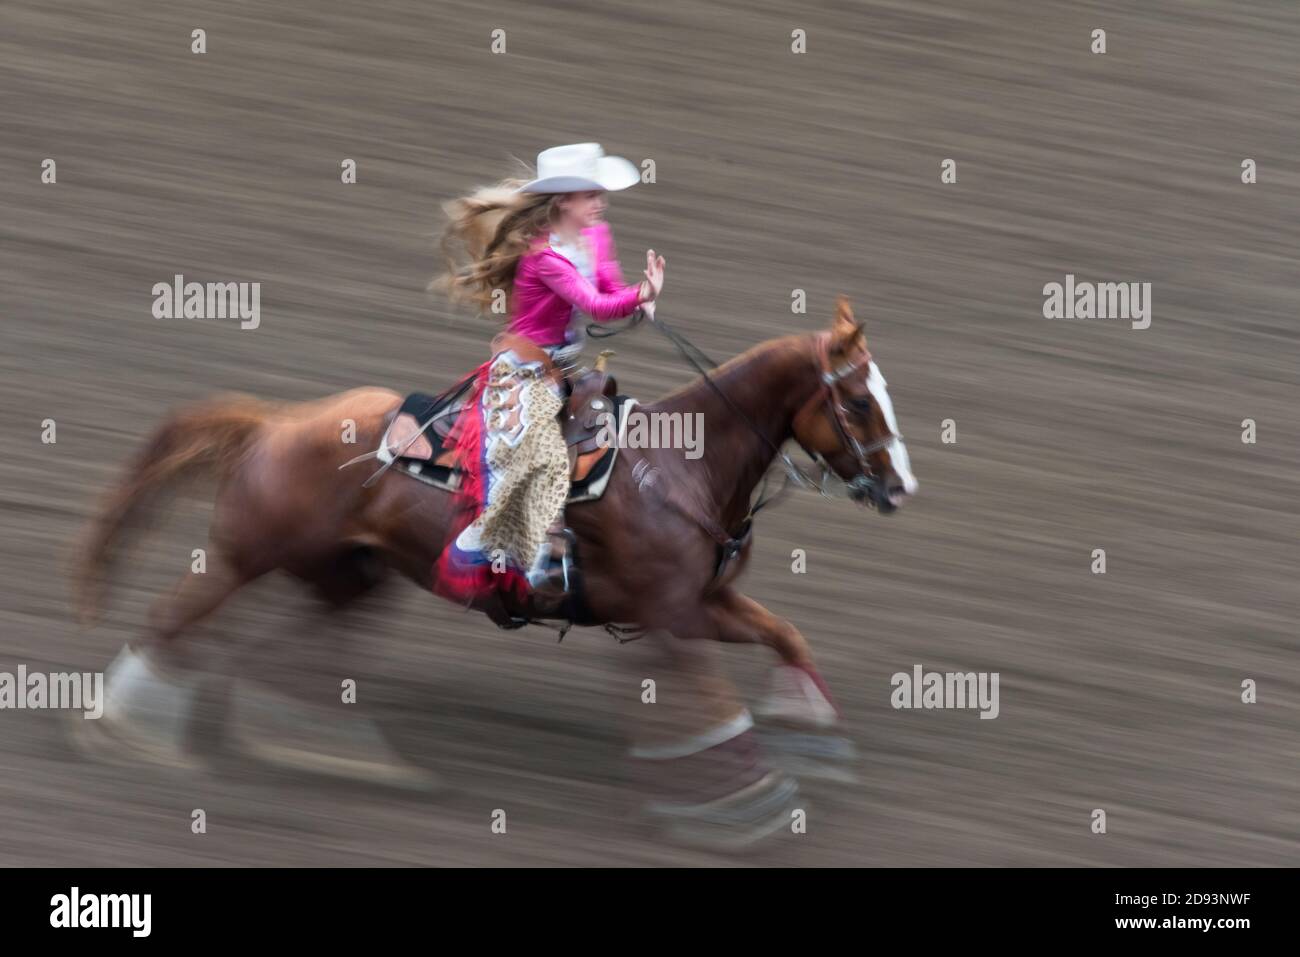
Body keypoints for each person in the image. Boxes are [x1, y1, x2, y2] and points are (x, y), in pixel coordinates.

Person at [432, 143, 666, 612]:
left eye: (600, 193)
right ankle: (504, 543)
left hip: (568, 366)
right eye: (590, 193)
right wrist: (643, 291)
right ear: (563, 201)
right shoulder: (545, 257)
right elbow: (595, 304)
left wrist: (637, 299)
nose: (599, 202)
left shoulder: (596, 236)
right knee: (539, 452)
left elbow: (609, 287)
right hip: (524, 370)